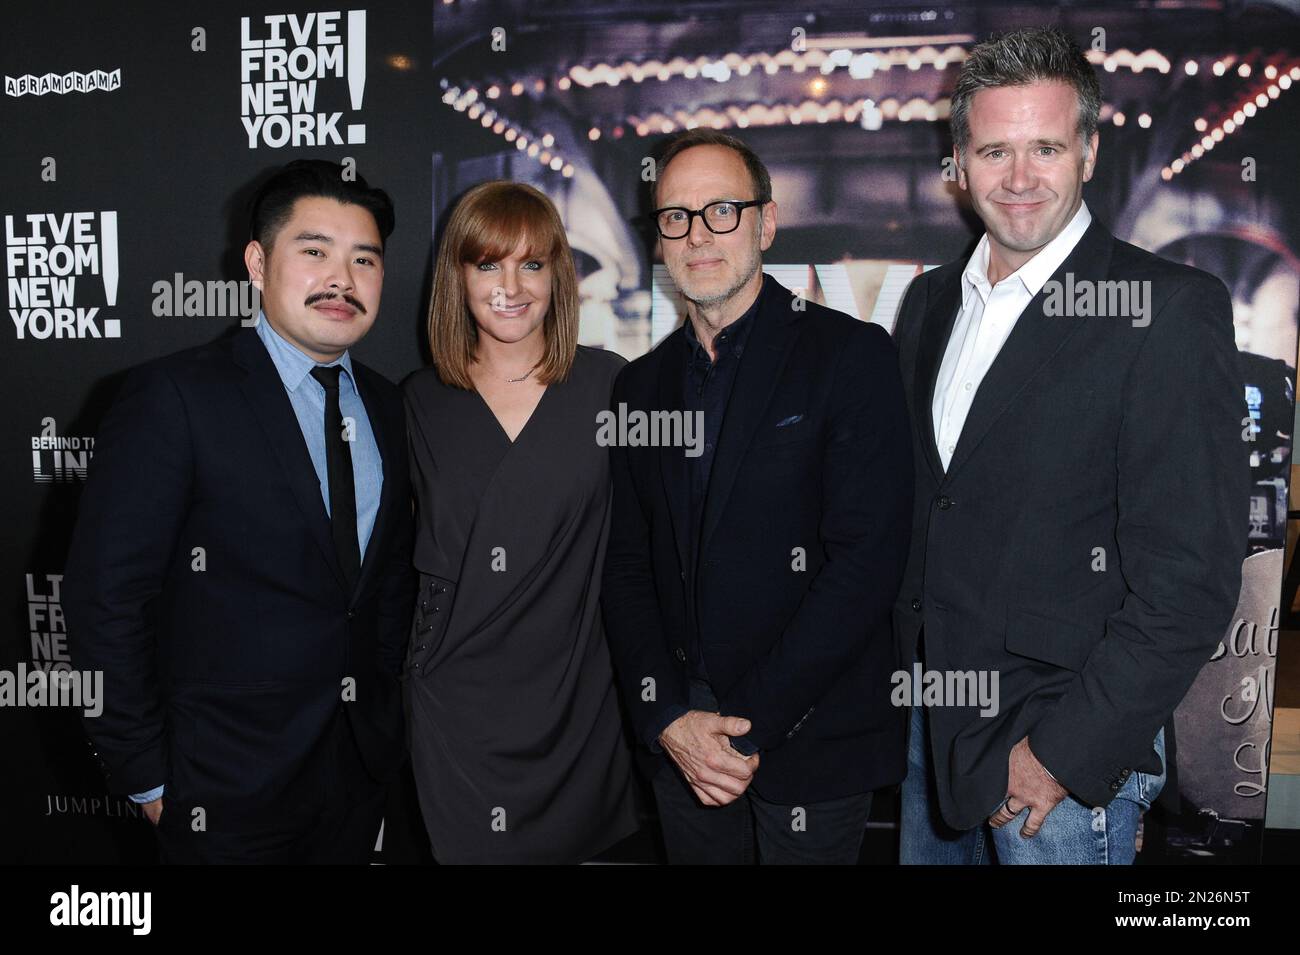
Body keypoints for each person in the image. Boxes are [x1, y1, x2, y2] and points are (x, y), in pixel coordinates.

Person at [893, 27, 1248, 864]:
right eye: (994, 150)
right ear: (960, 162)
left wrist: (1061, 753)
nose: (1019, 178)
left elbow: (1191, 580)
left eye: (1046, 147)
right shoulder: (928, 303)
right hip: (931, 734)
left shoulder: (1167, 309)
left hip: (1058, 753)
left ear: (1088, 152)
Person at [64, 159, 415, 864]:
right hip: (216, 789)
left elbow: (379, 592)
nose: (341, 279)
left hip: (353, 782)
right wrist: (144, 774)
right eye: (314, 251)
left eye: (364, 259)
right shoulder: (174, 397)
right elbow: (105, 595)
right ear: (257, 261)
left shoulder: (389, 403)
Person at [601, 130, 914, 864]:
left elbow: (866, 563)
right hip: (683, 749)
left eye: (722, 211)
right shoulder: (638, 387)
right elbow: (625, 564)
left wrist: (743, 726)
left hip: (810, 740)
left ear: (765, 224)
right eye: (675, 216)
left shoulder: (849, 355)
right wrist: (668, 714)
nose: (697, 234)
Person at [403, 180, 640, 863]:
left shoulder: (611, 386)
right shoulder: (417, 402)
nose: (512, 285)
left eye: (532, 263)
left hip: (580, 709)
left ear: (558, 275)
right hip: (454, 713)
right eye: (488, 263)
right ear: (458, 276)